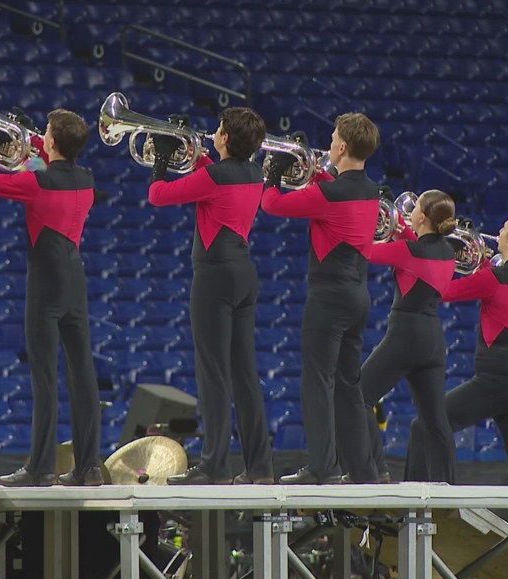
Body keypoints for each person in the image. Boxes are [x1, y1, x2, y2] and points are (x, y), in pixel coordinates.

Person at [0, 109, 103, 487]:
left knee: (45, 377)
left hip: (45, 283)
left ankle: (41, 467)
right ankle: (89, 466)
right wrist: (34, 149)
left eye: (45, 132)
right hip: (75, 279)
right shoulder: (87, 179)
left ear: (53, 142)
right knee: (82, 375)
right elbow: (50, 169)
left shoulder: (36, 183)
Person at [144, 108, 275, 485]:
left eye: (218, 129)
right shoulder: (253, 173)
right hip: (245, 276)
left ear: (227, 139)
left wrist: (163, 158)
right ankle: (260, 467)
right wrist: (199, 157)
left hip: (214, 278)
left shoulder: (214, 177)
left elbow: (158, 195)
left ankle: (215, 464)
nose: (213, 133)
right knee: (245, 375)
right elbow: (212, 177)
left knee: (213, 374)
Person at [260, 114, 382, 484]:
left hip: (329, 296)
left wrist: (273, 174)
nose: (328, 144)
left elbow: (272, 205)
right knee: (348, 385)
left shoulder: (329, 194)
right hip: (359, 295)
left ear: (343, 147)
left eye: (332, 139)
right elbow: (332, 186)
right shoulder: (371, 190)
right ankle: (363, 471)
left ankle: (322, 468)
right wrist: (315, 172)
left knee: (317, 382)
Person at [410, 213, 508, 487]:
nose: (497, 231)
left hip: (496, 381)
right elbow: (506, 291)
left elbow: (443, 292)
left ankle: (420, 508)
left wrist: (442, 252)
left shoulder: (496, 278)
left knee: (425, 427)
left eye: (504, 227)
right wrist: (482, 261)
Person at [357, 191, 458, 483]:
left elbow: (366, 250)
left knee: (358, 395)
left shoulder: (409, 251)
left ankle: (375, 470)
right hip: (433, 339)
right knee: (435, 420)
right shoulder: (448, 252)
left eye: (415, 208)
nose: (410, 210)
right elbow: (416, 251)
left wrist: (365, 214)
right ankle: (449, 489)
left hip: (406, 334)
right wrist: (399, 224)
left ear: (423, 218)